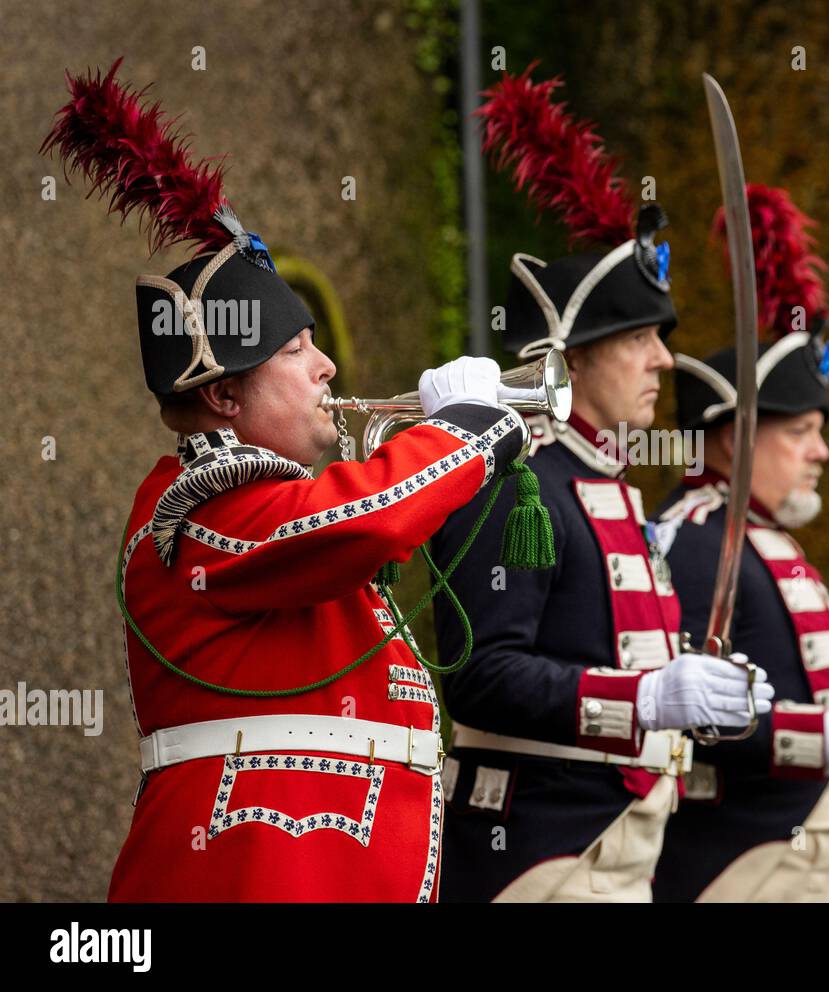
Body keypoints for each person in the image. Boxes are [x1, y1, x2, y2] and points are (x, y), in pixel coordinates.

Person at [44, 60, 527, 901]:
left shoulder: (280, 512)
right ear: (225, 394)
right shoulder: (195, 508)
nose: (329, 366)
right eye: (297, 352)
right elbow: (367, 520)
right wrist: (464, 433)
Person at [429, 67, 771, 902]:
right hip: (539, 853)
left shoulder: (608, 481)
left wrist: (699, 686)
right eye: (640, 339)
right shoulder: (515, 478)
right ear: (569, 358)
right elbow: (482, 674)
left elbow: (605, 653)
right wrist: (649, 694)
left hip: (620, 847)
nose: (663, 359)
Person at [652, 186, 829, 902]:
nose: (822, 452)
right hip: (742, 863)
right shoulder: (691, 542)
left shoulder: (764, 539)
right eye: (800, 432)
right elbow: (690, 723)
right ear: (732, 436)